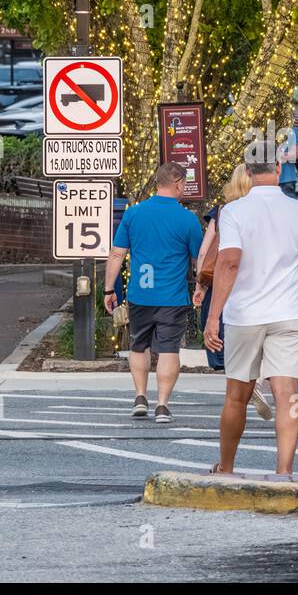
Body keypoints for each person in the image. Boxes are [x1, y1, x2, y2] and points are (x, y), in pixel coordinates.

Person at [204, 161, 298, 474]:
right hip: (287, 313)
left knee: (236, 395)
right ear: (279, 167)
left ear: (247, 170)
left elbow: (229, 264)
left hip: (244, 315)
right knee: (287, 394)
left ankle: (227, 467)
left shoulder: (233, 212)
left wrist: (213, 316)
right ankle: (284, 470)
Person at [104, 162, 204, 424]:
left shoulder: (134, 214)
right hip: (172, 297)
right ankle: (162, 405)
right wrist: (201, 288)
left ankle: (139, 396)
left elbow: (117, 254)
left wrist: (109, 289)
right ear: (178, 183)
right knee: (169, 349)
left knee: (139, 345)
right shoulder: (187, 219)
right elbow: (199, 260)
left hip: (140, 295)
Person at [195, 165, 255, 382]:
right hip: (250, 281)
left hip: (222, 279)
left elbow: (204, 252)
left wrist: (199, 285)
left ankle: (235, 377)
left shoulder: (221, 212)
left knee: (221, 330)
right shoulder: (260, 210)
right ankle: (249, 376)